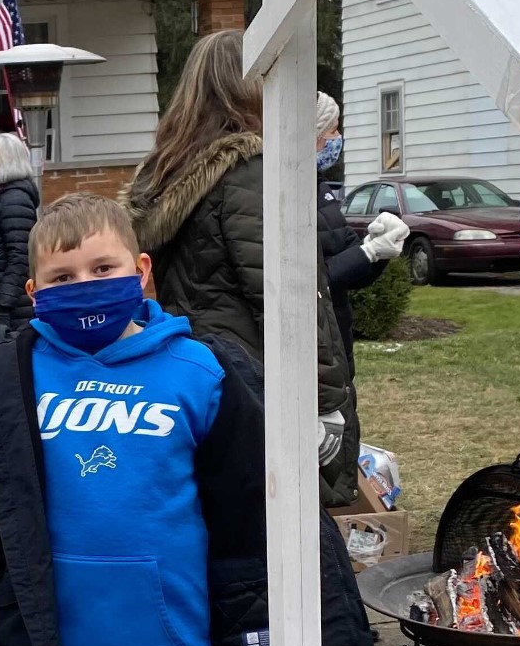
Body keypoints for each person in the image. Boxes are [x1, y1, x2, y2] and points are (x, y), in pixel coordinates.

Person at [0, 194, 385, 646]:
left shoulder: (198, 372)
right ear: (33, 290)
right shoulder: (6, 379)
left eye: (103, 268)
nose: (85, 286)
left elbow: (253, 529)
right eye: (62, 277)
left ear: (142, 270)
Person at [122, 30, 360, 509]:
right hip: (257, 386)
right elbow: (289, 300)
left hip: (193, 376)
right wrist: (325, 401)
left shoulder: (165, 174)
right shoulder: (251, 172)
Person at [314, 92, 408, 368]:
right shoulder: (286, 192)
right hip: (315, 342)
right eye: (333, 129)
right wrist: (366, 253)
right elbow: (316, 279)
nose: (338, 137)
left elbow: (348, 262)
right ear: (315, 134)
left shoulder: (320, 188)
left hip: (337, 340)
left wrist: (377, 249)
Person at [0, 132, 41, 335]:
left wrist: (3, 304)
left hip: (12, 308)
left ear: (2, 160)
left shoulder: (15, 199)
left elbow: (21, 256)